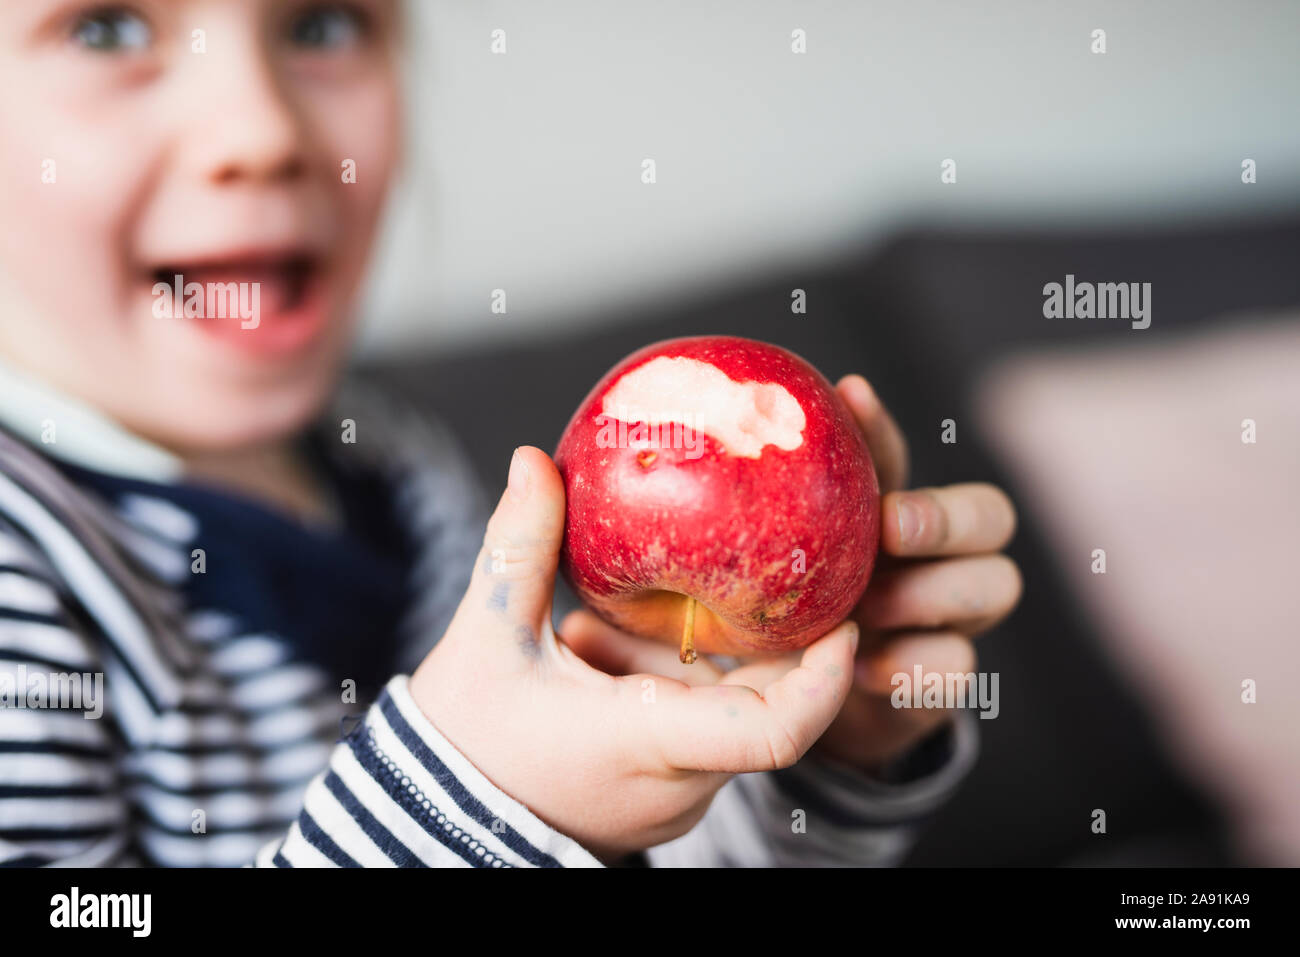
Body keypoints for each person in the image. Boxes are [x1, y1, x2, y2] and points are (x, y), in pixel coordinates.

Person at [0, 0, 1019, 867]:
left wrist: (815, 751)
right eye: (105, 28)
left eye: (321, 22)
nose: (261, 130)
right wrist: (484, 809)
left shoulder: (400, 468)